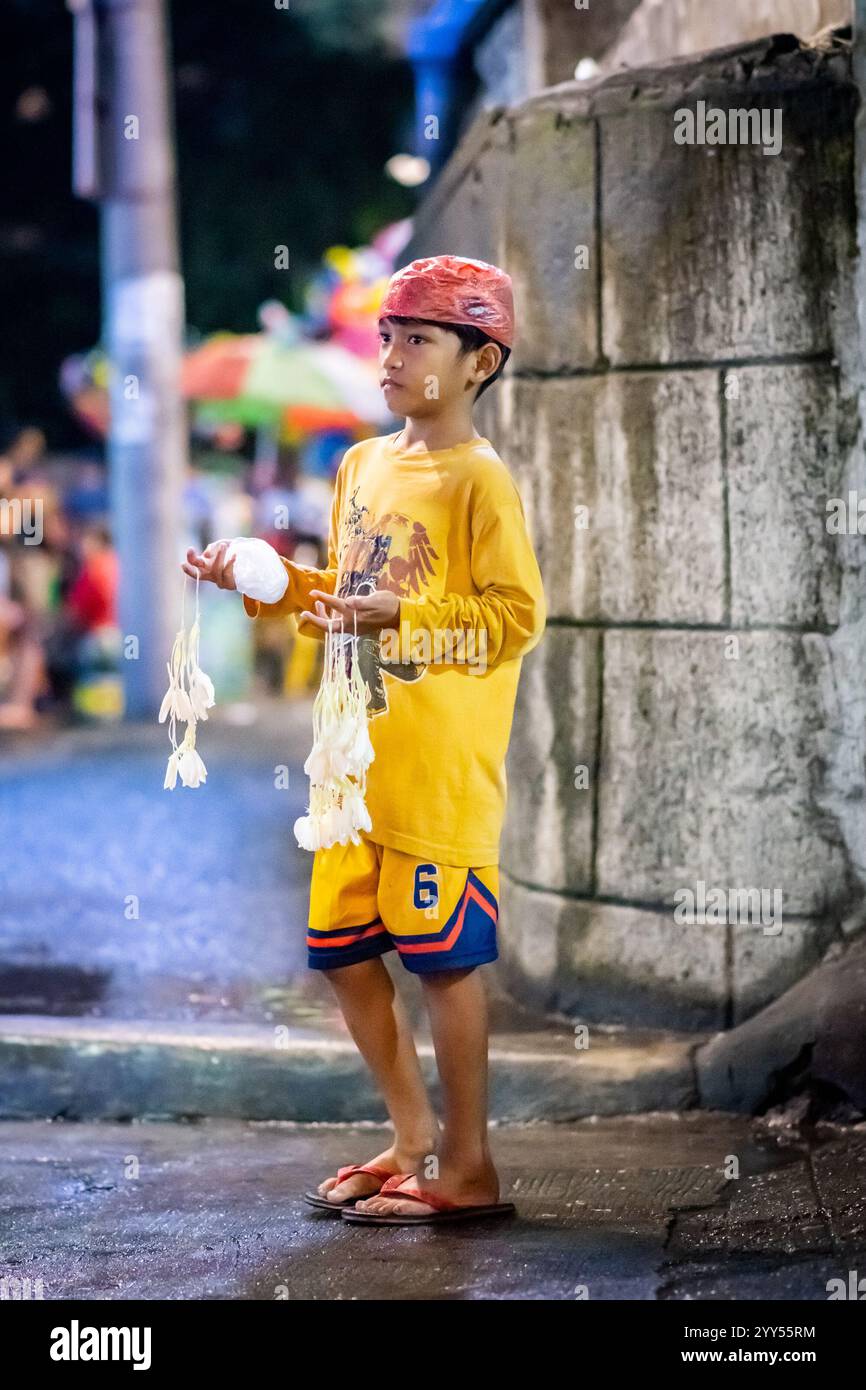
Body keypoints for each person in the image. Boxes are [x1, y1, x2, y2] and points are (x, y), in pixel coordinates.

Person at [183, 255, 546, 1225]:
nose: (389, 355)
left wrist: (404, 617)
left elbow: (512, 619)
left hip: (436, 774)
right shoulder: (359, 465)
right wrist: (266, 581)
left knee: (441, 963)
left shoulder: (480, 480)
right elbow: (348, 605)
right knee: (344, 953)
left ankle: (468, 1168)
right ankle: (410, 1139)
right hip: (349, 773)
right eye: (386, 334)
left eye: (417, 337)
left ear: (478, 360)